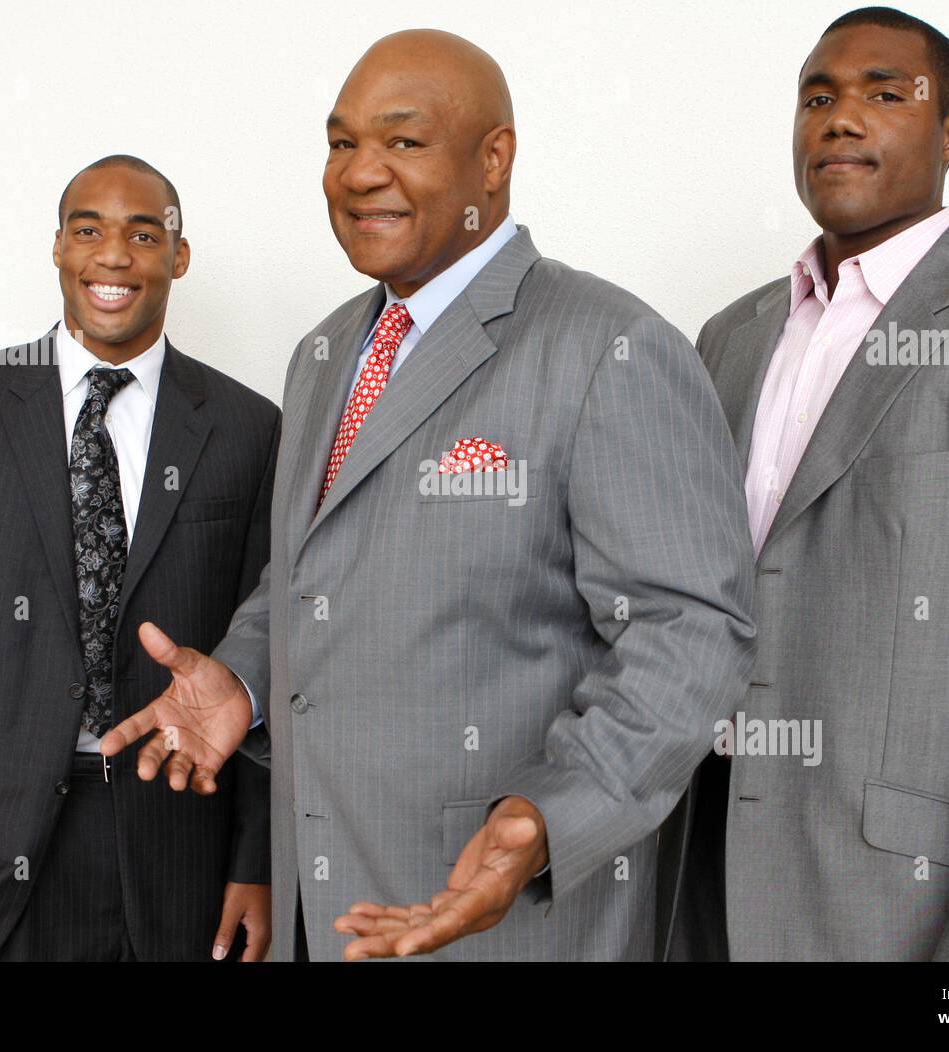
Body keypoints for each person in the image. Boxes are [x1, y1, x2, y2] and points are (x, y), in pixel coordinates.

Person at [103, 30, 756, 961]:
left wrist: (547, 815)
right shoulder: (325, 353)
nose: (360, 173)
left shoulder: (609, 347)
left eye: (403, 142)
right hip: (322, 908)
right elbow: (311, 573)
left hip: (497, 913)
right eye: (340, 144)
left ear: (494, 159)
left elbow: (692, 631)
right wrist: (243, 679)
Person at [657, 6, 949, 961]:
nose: (840, 118)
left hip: (891, 910)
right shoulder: (731, 338)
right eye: (817, 97)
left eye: (884, 93)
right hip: (694, 882)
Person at [0, 156, 279, 961]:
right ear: (57, 247)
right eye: (89, 230)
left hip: (179, 848)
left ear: (177, 257)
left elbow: (269, 652)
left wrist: (254, 860)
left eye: (143, 234)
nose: (113, 255)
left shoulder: (250, 428)